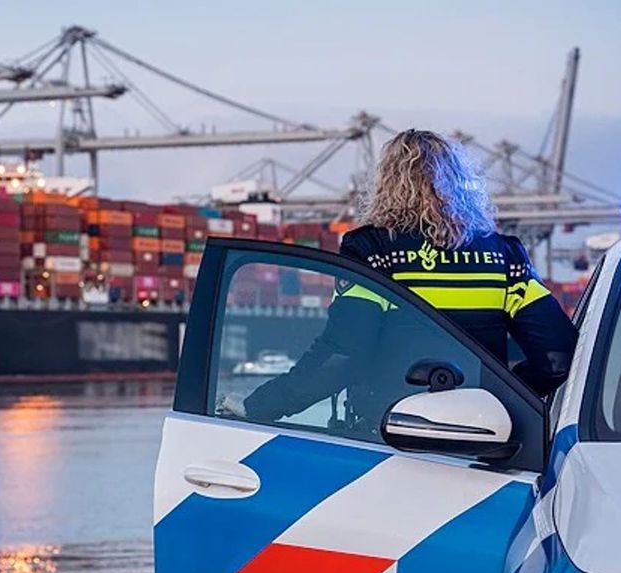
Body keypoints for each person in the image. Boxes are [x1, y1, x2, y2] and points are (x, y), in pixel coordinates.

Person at [218, 129, 578, 426]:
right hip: (485, 440)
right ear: (460, 182)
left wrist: (261, 406)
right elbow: (558, 354)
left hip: (388, 437)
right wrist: (503, 401)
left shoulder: (374, 251)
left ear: (388, 183)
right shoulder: (504, 256)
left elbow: (344, 353)